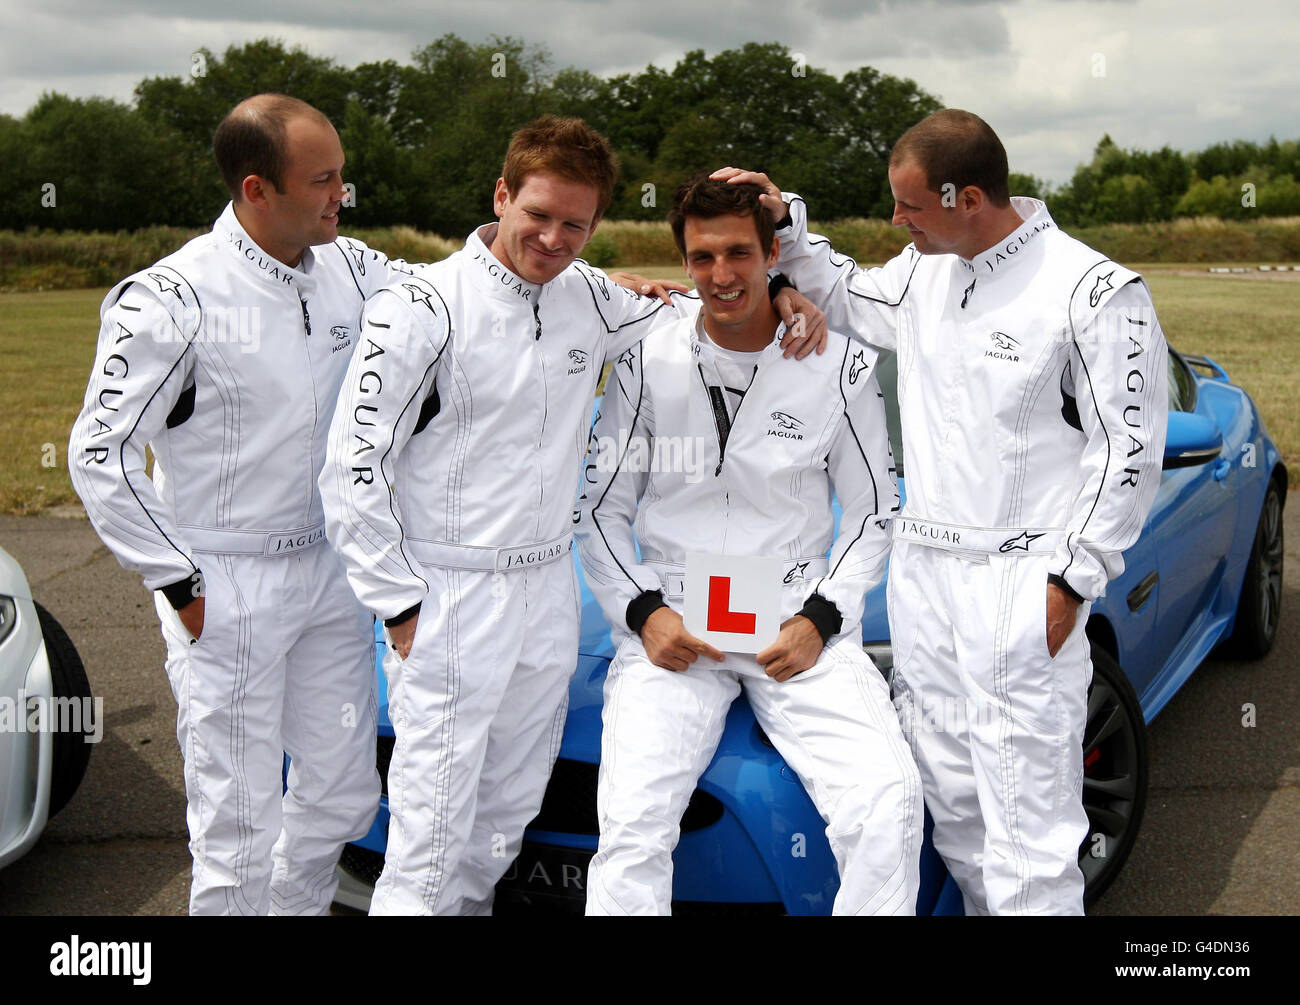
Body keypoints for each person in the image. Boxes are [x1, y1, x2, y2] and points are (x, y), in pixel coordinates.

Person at [318, 116, 826, 915]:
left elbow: (717, 309)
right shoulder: (418, 305)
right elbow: (352, 464)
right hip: (450, 591)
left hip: (550, 590)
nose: (553, 239)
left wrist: (786, 284)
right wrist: (399, 601)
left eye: (575, 225)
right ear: (501, 194)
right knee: (430, 831)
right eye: (538, 215)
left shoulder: (593, 296)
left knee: (507, 814)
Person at [715, 108, 1169, 915]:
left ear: (965, 196)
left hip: (1021, 575)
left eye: (908, 206)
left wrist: (1071, 579)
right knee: (952, 802)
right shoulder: (928, 271)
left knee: (1028, 821)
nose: (897, 221)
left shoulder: (1094, 290)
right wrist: (785, 223)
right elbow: (847, 296)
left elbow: (1127, 452)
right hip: (923, 570)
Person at [68, 93, 415, 915]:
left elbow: (475, 288)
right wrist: (179, 582)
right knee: (237, 828)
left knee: (340, 797)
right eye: (324, 179)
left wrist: (619, 288)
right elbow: (99, 451)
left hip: (331, 574)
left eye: (343, 176)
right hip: (224, 580)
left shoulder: (351, 267)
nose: (343, 195)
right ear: (258, 189)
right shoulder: (171, 299)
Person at [574, 175, 921, 915]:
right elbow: (601, 508)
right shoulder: (644, 358)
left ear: (773, 256)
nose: (721, 275)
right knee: (632, 828)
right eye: (702, 258)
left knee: (888, 802)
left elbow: (871, 514)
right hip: (677, 628)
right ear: (684, 260)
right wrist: (644, 614)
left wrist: (821, 620)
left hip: (795, 626)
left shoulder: (840, 365)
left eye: (739, 253)